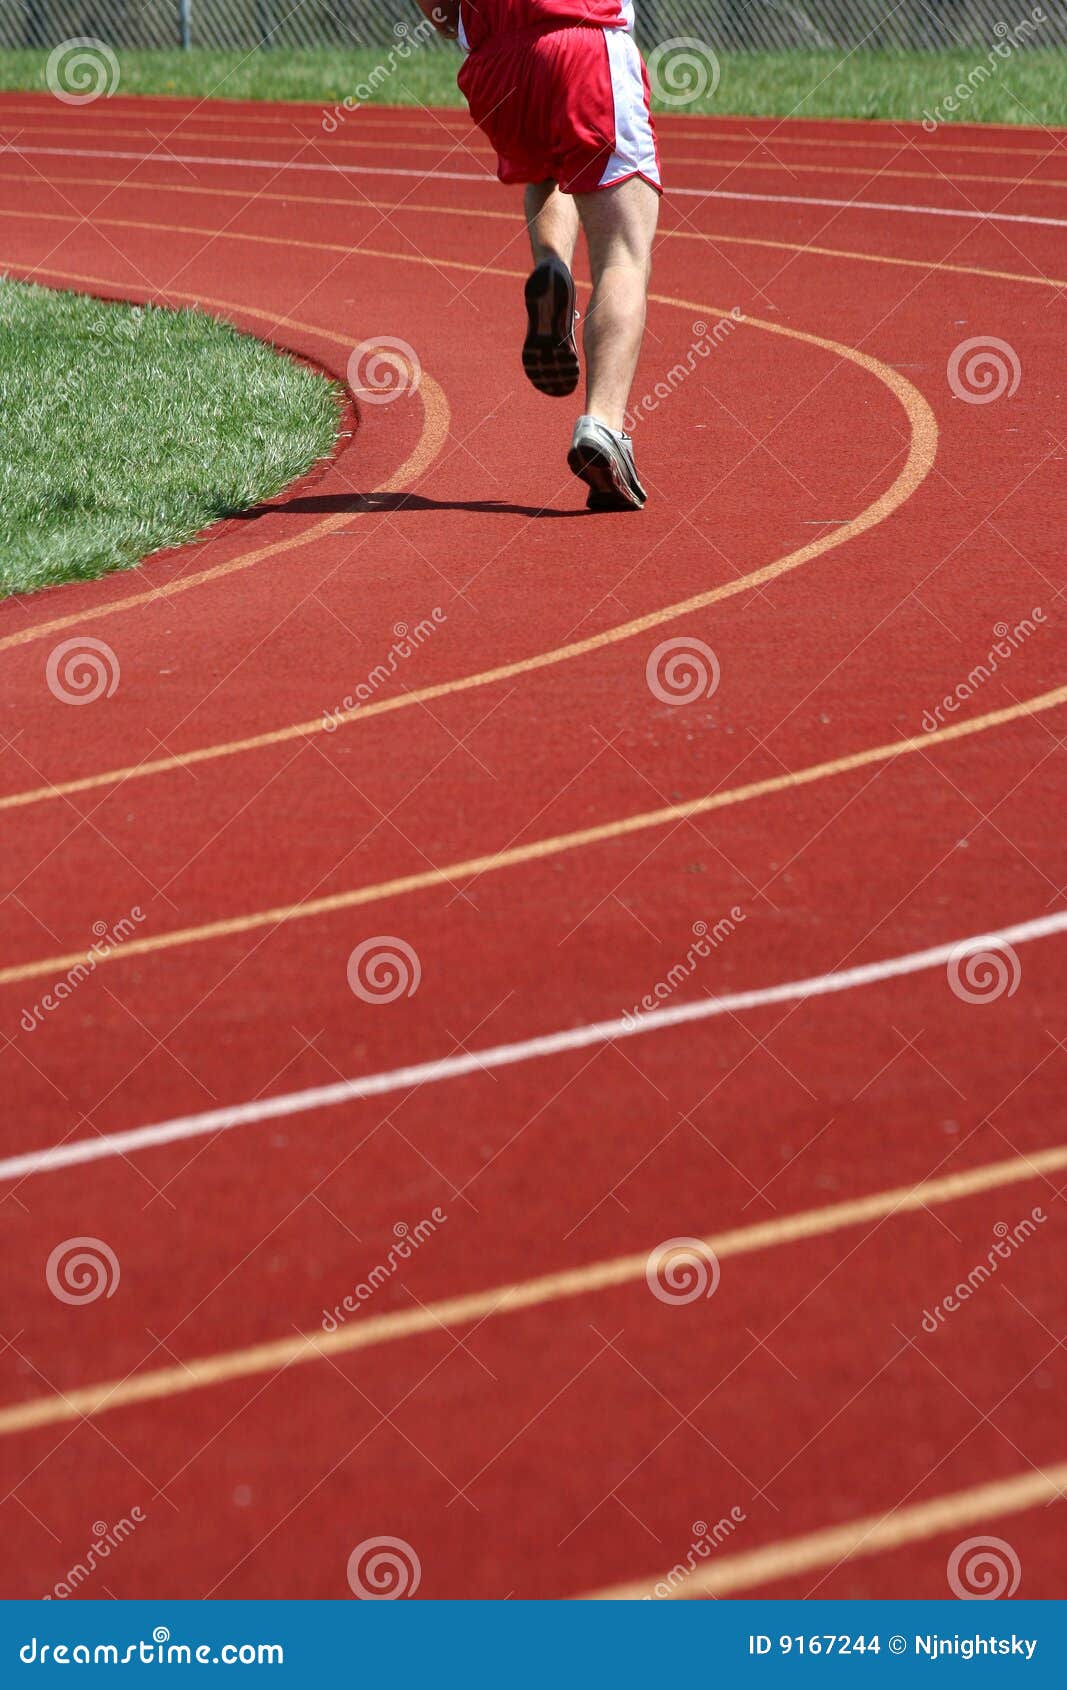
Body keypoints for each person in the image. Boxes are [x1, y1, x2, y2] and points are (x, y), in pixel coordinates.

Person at [418, 0, 661, 510]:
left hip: (496, 65)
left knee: (547, 168)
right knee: (623, 256)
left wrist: (467, 27)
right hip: (584, 41)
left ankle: (551, 264)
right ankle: (604, 426)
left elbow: (438, 11)